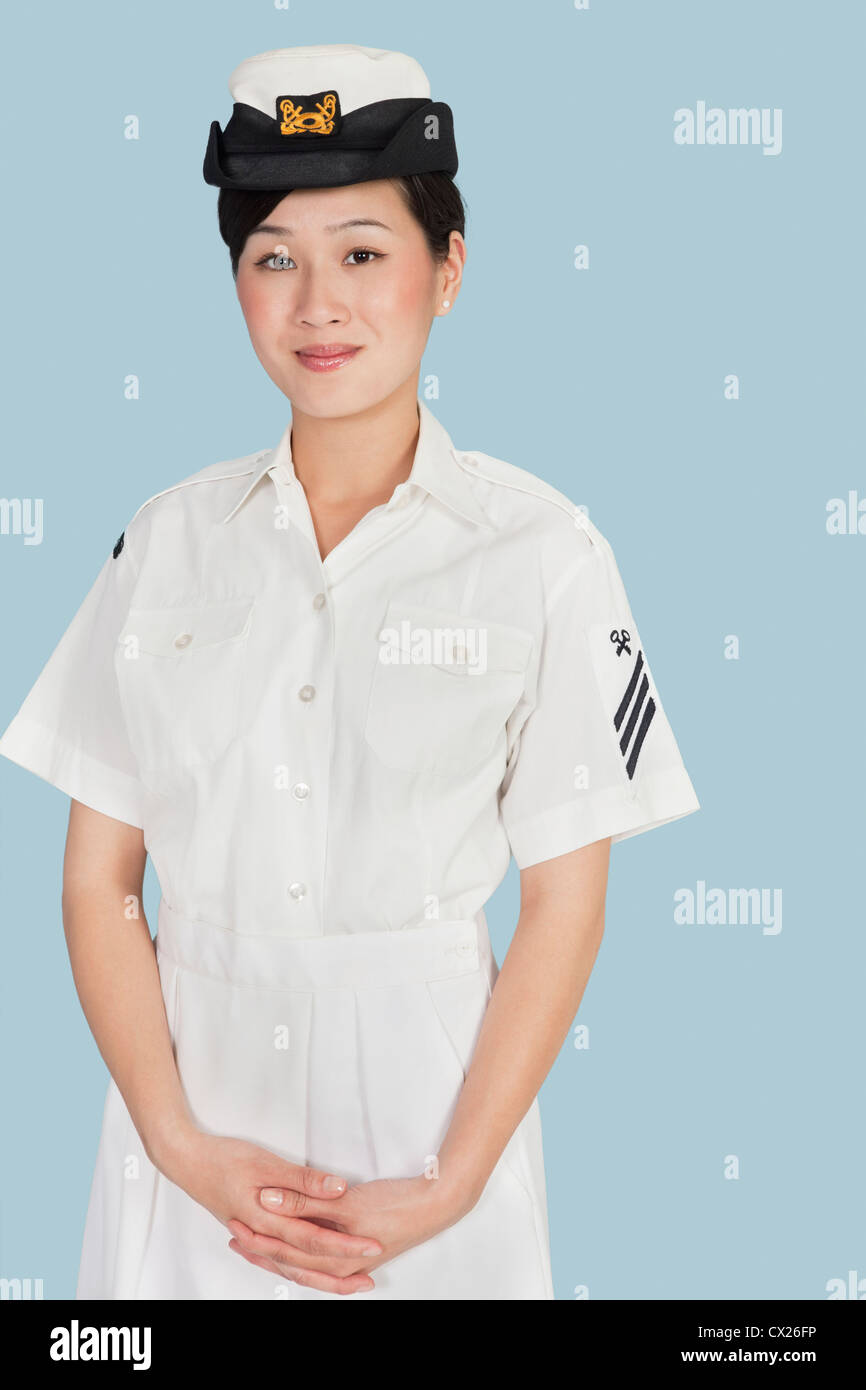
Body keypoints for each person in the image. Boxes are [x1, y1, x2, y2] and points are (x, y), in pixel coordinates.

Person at [0, 43, 700, 1300]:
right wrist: (176, 1144)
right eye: (274, 257)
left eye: (363, 253)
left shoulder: (542, 552)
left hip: (436, 1132)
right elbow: (99, 882)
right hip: (187, 1128)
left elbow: (563, 903)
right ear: (235, 284)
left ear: (449, 270)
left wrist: (450, 1178)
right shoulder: (164, 544)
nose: (317, 302)